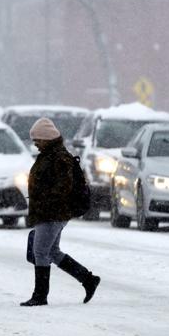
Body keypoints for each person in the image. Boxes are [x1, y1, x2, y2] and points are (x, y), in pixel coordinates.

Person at [21, 118, 101, 307]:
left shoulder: (59, 158)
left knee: (40, 252)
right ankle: (88, 280)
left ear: (47, 138)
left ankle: (40, 295)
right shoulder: (50, 155)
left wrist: (45, 203)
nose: (35, 144)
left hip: (52, 213)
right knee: (52, 252)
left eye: (37, 140)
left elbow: (62, 188)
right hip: (49, 212)